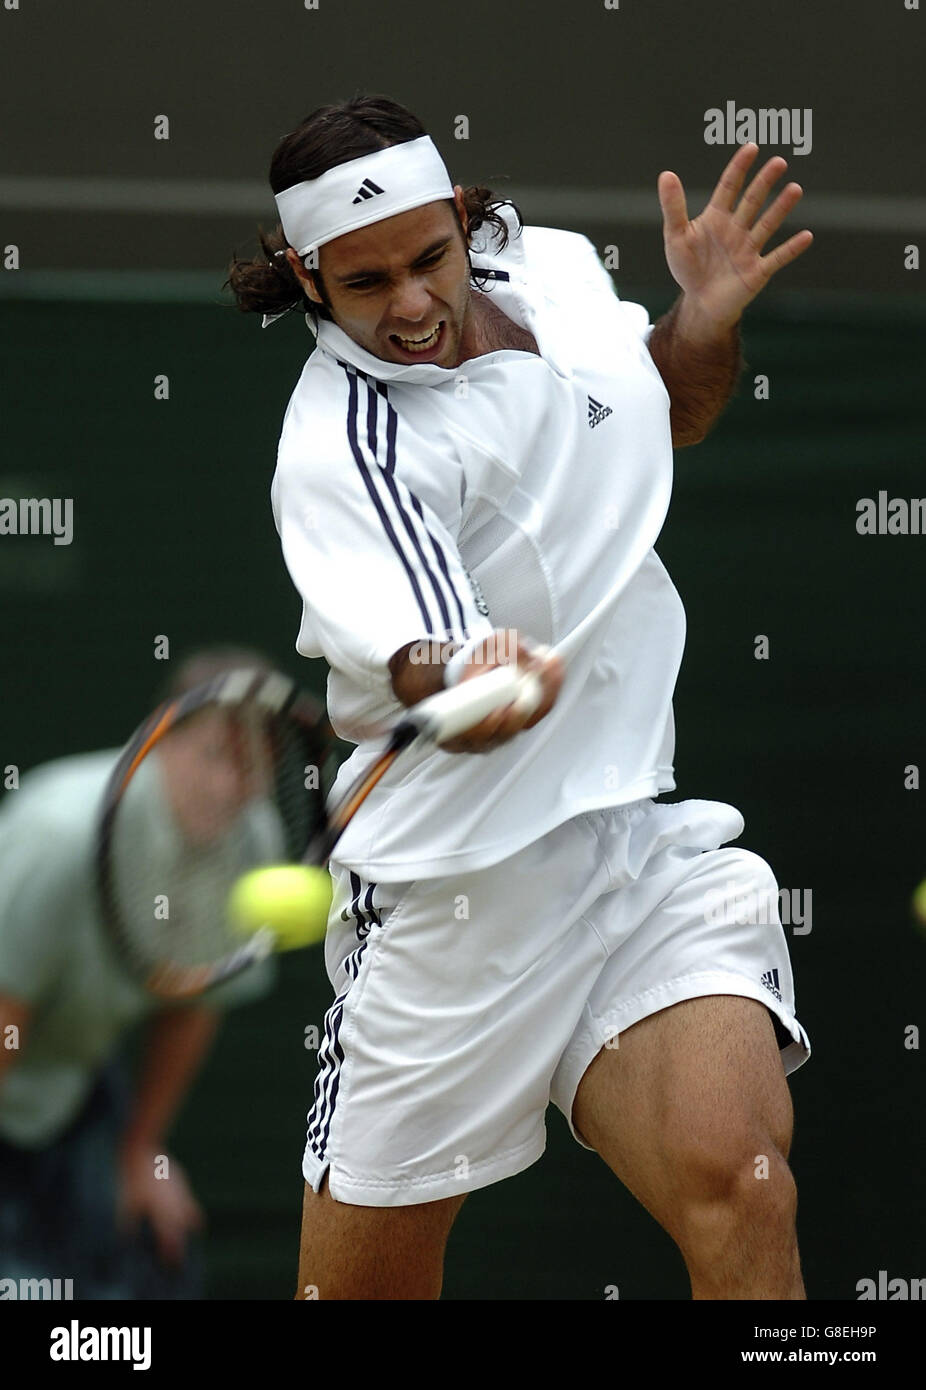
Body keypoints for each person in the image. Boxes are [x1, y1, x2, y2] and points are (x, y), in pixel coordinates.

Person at [228, 93, 813, 1300]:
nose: (407, 307)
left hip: (637, 845)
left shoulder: (545, 267)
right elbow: (412, 661)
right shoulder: (344, 444)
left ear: (461, 217)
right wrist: (475, 676)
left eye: (427, 260)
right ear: (303, 276)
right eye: (361, 282)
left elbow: (672, 412)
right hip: (456, 900)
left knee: (744, 1185)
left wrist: (698, 322)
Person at [0, 648, 289, 1300]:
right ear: (161, 737)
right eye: (216, 754)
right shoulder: (59, 837)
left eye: (253, 763)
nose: (230, 787)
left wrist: (140, 1152)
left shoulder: (253, 844)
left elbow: (191, 1000)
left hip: (74, 1095)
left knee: (162, 1268)